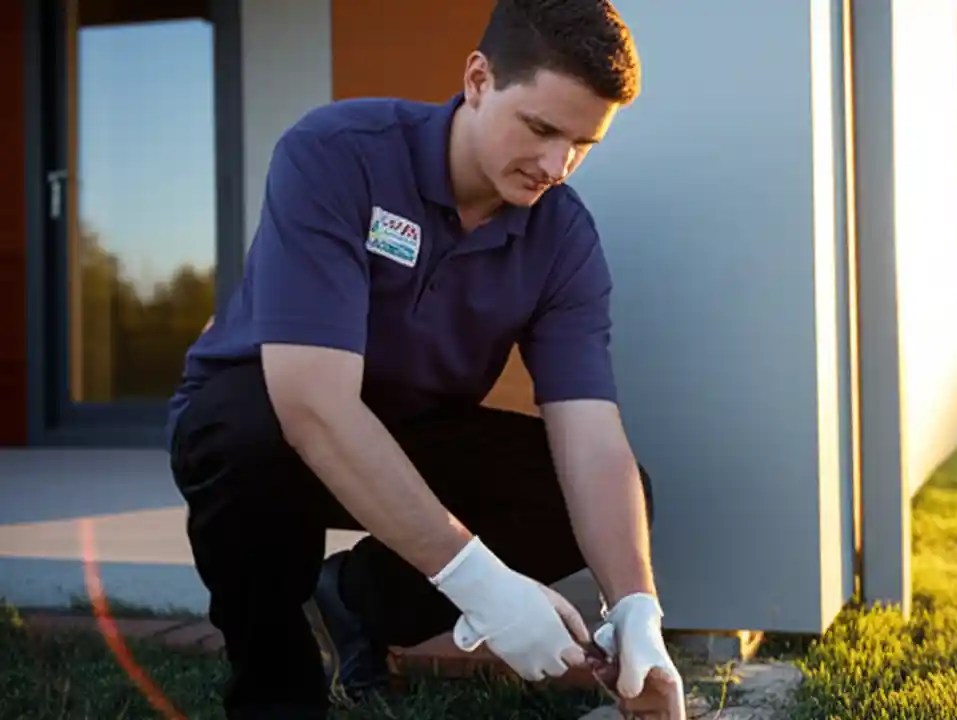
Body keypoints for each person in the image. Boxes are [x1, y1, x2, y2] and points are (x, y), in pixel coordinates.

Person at [165, 1, 685, 717]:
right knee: (246, 431)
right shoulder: (338, 152)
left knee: (591, 492)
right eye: (539, 128)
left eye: (582, 143)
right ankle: (276, 686)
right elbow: (313, 405)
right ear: (477, 78)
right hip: (271, 416)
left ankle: (354, 602)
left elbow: (591, 433)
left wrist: (636, 611)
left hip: (412, 427)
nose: (556, 166)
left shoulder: (563, 237)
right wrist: (480, 583)